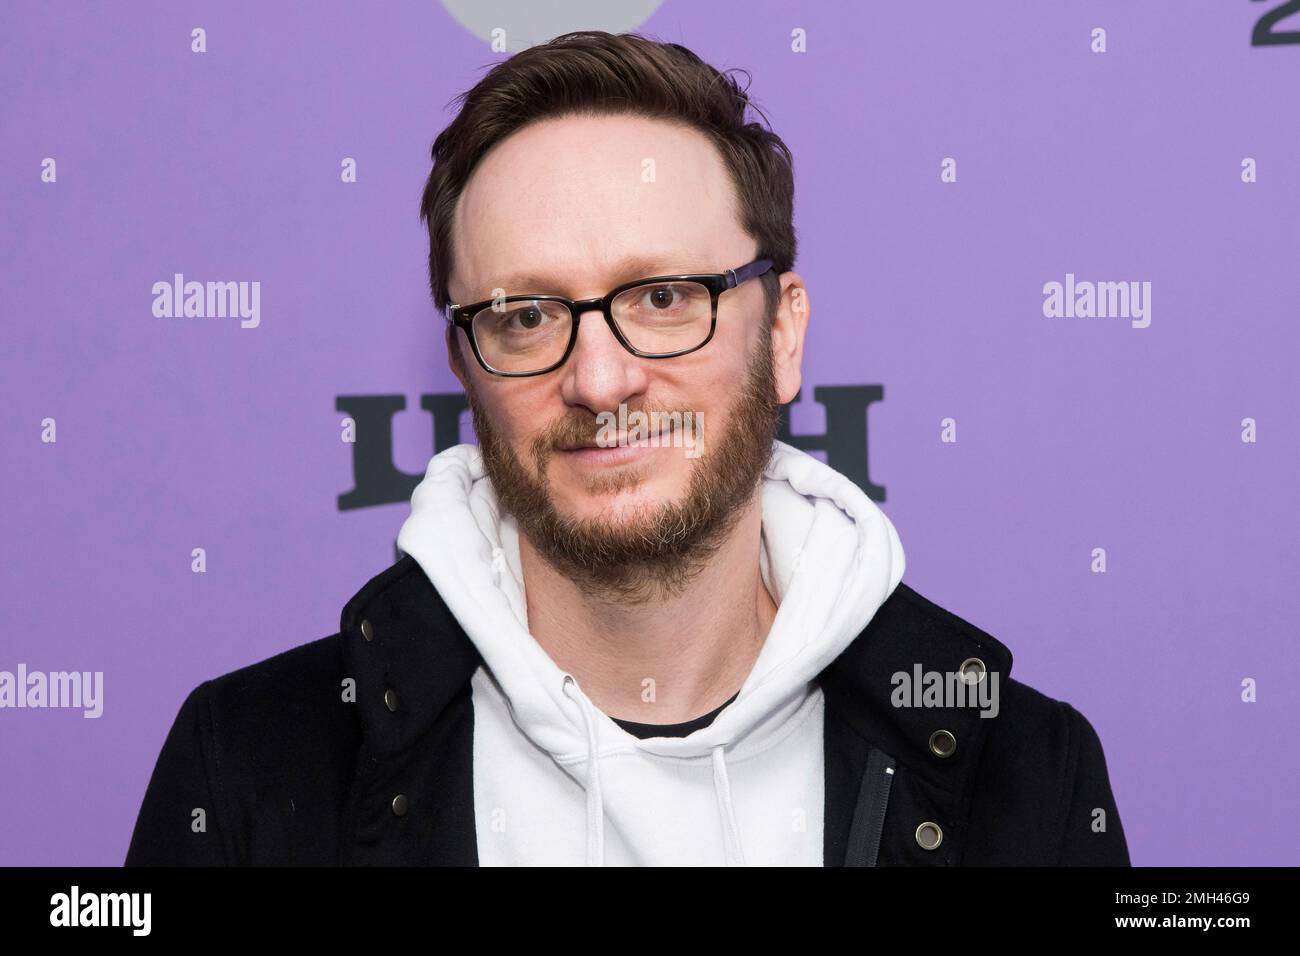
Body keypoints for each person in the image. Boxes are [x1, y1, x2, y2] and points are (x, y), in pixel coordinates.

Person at [125, 30, 1128, 866]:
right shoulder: (252, 766)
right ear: (466, 366)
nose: (598, 381)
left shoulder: (1023, 772)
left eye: (660, 298)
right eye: (525, 313)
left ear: (781, 332)